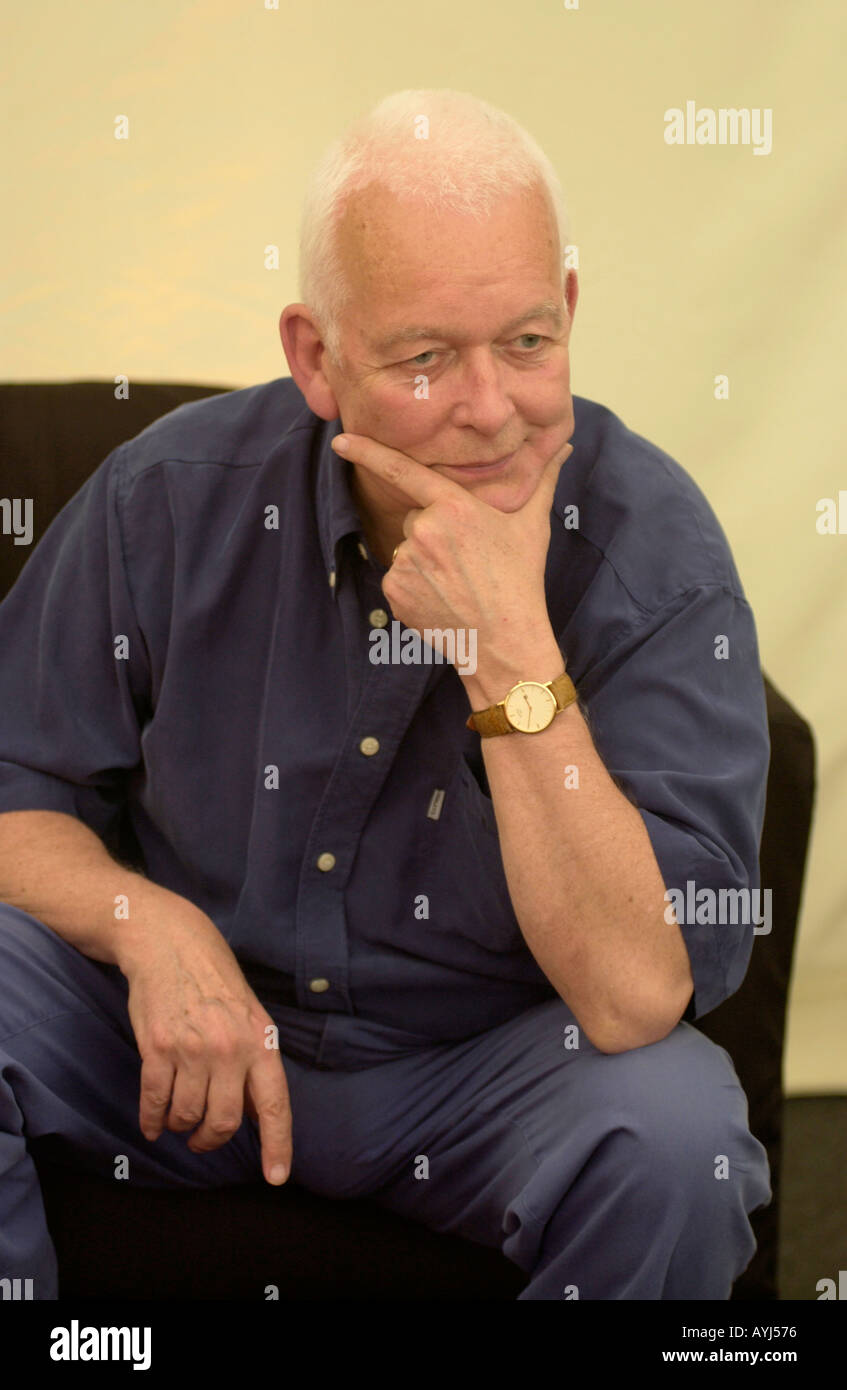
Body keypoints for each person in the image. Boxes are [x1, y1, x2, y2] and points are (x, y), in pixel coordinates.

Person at [0, 88, 771, 1301]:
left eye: (526, 342)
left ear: (567, 309)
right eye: (423, 359)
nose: (489, 409)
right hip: (188, 1043)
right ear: (315, 356)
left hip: (487, 1069)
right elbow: (14, 786)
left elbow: (635, 995)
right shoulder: (169, 500)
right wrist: (148, 925)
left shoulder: (655, 558)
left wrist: (510, 655)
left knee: (679, 1141)